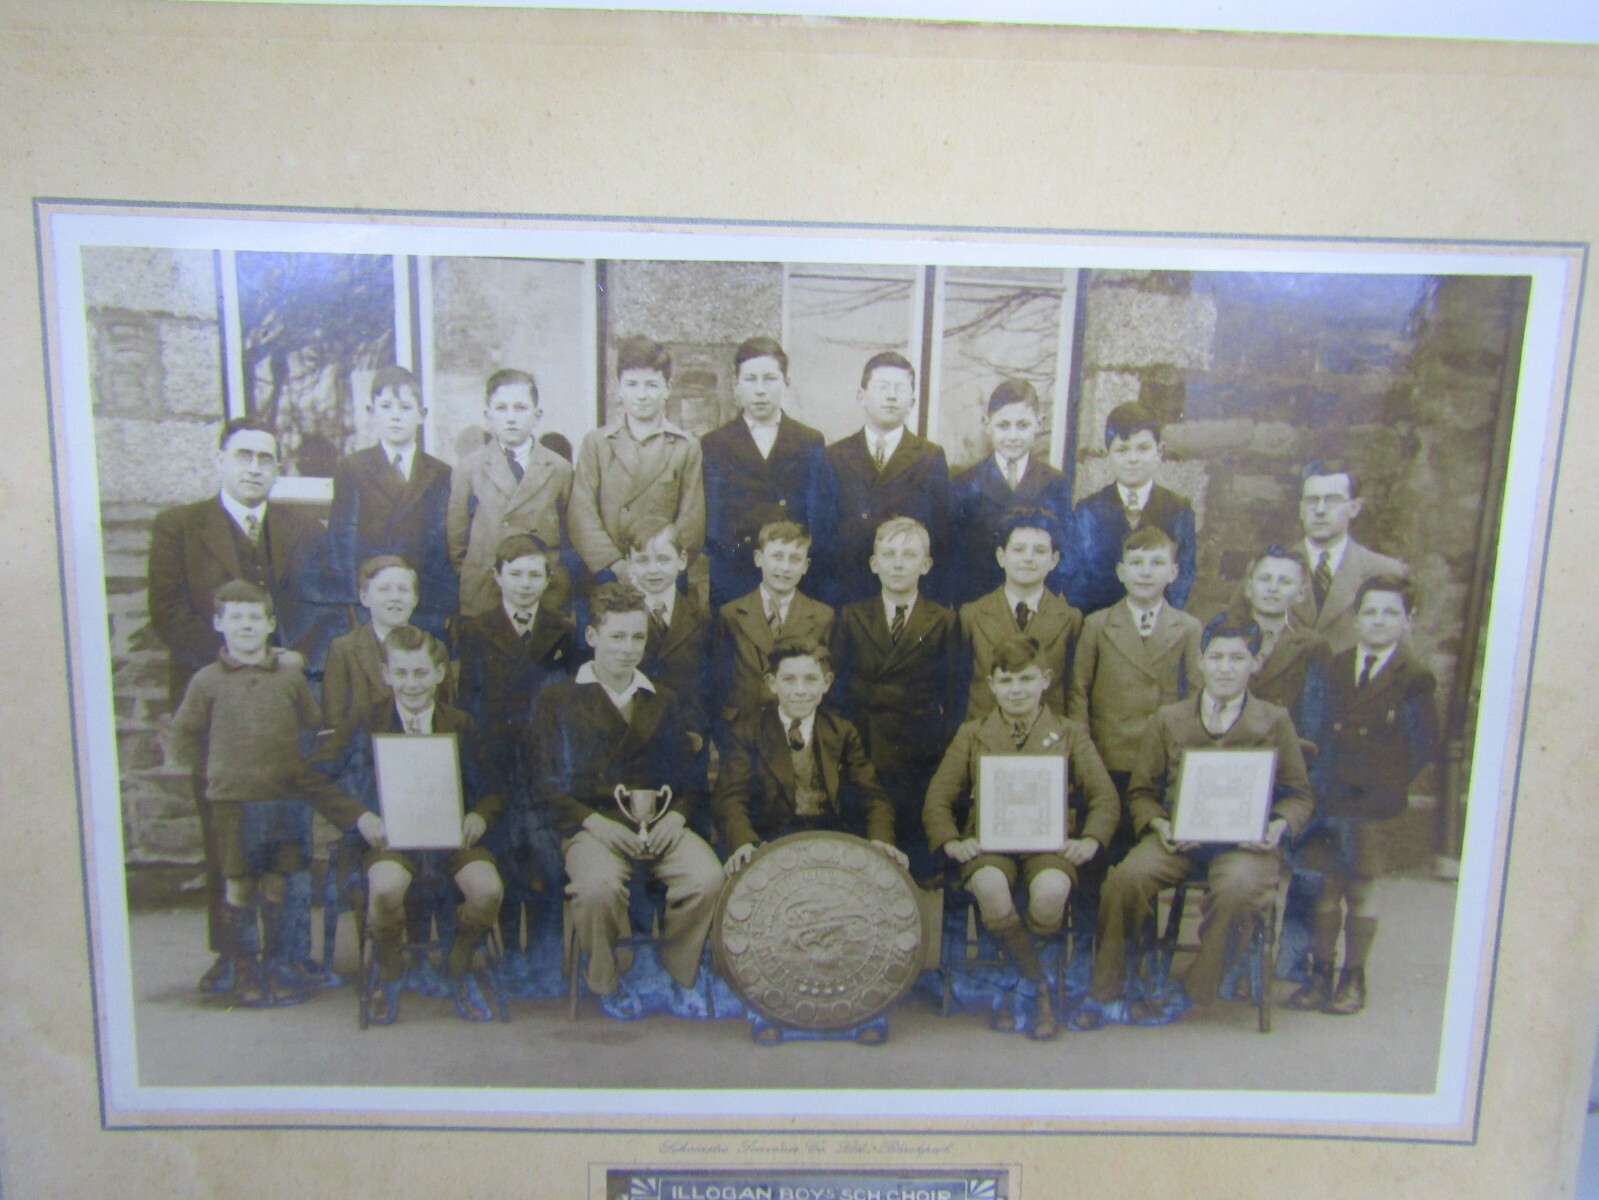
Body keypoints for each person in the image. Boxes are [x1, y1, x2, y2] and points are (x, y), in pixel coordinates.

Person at [147, 416, 328, 988]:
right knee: (224, 834)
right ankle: (234, 958)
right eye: (243, 456)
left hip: (282, 701)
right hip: (216, 698)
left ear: (278, 468)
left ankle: (290, 955)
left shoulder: (301, 527)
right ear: (221, 460)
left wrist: (288, 659)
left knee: (287, 837)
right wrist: (237, 657)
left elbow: (319, 605)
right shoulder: (180, 526)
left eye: (266, 459)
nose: (254, 468)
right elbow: (168, 611)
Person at [1075, 614, 1315, 1027]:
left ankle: (1191, 990)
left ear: (1254, 664)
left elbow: (1299, 795)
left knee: (1239, 889)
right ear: (1200, 662)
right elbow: (1142, 792)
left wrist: (1277, 826)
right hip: (1178, 840)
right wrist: (1160, 825)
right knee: (1124, 879)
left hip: (1244, 845)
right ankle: (1108, 989)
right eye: (1216, 657)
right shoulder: (1169, 719)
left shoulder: (1274, 721)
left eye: (1237, 658)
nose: (1225, 667)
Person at [167, 581, 368, 1007]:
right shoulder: (206, 681)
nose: (246, 626)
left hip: (285, 799)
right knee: (239, 885)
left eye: (255, 617)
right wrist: (214, 773)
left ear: (270, 624)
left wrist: (305, 771)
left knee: (278, 884)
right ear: (219, 623)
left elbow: (312, 727)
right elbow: (183, 736)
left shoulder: (289, 676)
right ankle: (245, 971)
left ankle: (276, 966)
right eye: (236, 618)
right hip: (234, 803)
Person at [527, 583, 723, 999]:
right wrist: (594, 823)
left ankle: (674, 971)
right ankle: (608, 980)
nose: (627, 648)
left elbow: (689, 778)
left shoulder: (662, 700)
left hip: (658, 825)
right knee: (597, 888)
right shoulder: (557, 701)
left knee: (707, 879)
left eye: (637, 637)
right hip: (591, 827)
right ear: (593, 637)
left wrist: (677, 817)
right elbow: (542, 783)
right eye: (616, 636)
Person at [924, 635, 1120, 1040]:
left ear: (1045, 681)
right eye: (1007, 681)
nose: (1017, 690)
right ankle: (1039, 992)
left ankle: (1015, 989)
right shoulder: (972, 734)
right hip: (988, 846)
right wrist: (952, 842)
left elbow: (1104, 797)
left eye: (1026, 680)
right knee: (992, 889)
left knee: (1050, 892)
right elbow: (938, 800)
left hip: (1048, 847)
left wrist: (1090, 840)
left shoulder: (1069, 734)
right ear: (992, 685)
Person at [310, 626, 507, 1024]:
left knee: (487, 890)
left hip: (451, 839)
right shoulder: (366, 721)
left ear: (438, 673)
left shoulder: (460, 722)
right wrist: (361, 817)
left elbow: (497, 786)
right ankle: (390, 972)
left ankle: (458, 969)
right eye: (401, 674)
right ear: (386, 674)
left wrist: (479, 815)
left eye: (420, 673)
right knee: (384, 888)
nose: (411, 684)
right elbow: (312, 776)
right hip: (392, 841)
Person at [1286, 575, 1438, 1016]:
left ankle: (1354, 977)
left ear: (1409, 621)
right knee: (1325, 888)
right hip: (1331, 796)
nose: (1378, 621)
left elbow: (1422, 745)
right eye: (1370, 611)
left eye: (1391, 612)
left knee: (1362, 888)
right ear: (1355, 618)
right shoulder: (1336, 666)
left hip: (1375, 804)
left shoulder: (1414, 678)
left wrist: (1382, 787)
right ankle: (1320, 972)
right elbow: (1313, 728)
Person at [453, 534, 576, 954]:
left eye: (534, 575)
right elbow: (467, 704)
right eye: (516, 574)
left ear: (547, 580)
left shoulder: (561, 630)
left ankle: (544, 958)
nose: (525, 584)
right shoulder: (477, 630)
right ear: (497, 577)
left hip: (544, 765)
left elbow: (571, 703)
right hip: (496, 764)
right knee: (504, 855)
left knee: (545, 860)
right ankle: (506, 957)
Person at [831, 516, 960, 882]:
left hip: (919, 758)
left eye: (909, 555)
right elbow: (837, 692)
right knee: (865, 860)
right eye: (888, 554)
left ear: (927, 564)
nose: (898, 563)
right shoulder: (852, 615)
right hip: (865, 753)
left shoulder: (944, 620)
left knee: (915, 861)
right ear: (874, 564)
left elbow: (953, 695)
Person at [713, 638, 906, 874]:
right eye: (789, 680)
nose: (800, 691)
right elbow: (731, 797)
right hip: (770, 849)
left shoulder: (842, 732)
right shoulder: (747, 733)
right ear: (772, 683)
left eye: (811, 679)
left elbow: (873, 795)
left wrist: (880, 839)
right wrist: (744, 842)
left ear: (827, 683)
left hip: (832, 849)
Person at [1067, 527, 1203, 800]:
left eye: (1157, 563)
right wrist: (1084, 753)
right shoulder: (1097, 624)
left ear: (1173, 573)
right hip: (1108, 756)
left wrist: (1182, 748)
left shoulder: (1188, 627)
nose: (1146, 572)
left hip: (1161, 754)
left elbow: (1196, 693)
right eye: (1136, 563)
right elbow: (1078, 692)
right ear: (1121, 572)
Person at [325, 365, 455, 639]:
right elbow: (342, 542)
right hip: (370, 604)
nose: (395, 416)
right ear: (371, 413)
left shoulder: (441, 473)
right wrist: (355, 604)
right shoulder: (353, 468)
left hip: (423, 604)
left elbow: (444, 545)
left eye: (406, 407)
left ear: (422, 415)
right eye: (386, 406)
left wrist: (441, 608)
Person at [813, 351, 950, 607]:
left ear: (912, 400)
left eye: (900, 388)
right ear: (861, 397)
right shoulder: (835, 456)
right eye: (883, 387)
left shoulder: (930, 457)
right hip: (847, 594)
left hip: (905, 596)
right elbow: (822, 537)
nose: (891, 395)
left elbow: (940, 537)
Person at [569, 336, 706, 586]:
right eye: (632, 384)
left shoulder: (685, 447)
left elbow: (692, 520)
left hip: (663, 576)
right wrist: (617, 566)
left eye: (652, 385)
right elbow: (581, 515)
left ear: (668, 387)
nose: (641, 395)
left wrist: (659, 566)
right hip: (609, 574)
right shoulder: (598, 443)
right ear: (618, 389)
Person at [700, 336, 826, 608]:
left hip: (790, 574)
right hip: (736, 575)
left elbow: (816, 517)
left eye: (769, 379)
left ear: (785, 384)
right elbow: (713, 522)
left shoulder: (809, 441)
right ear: (736, 386)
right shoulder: (714, 444)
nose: (760, 390)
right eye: (750, 379)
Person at [446, 368, 574, 618]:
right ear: (488, 416)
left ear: (537, 416)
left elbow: (570, 538)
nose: (511, 417)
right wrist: (480, 572)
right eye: (502, 408)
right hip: (487, 592)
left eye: (520, 408)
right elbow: (456, 540)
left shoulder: (559, 468)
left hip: (544, 594)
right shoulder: (470, 468)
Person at [947, 378, 1075, 608]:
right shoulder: (965, 483)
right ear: (987, 425)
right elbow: (955, 558)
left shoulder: (1055, 483)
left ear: (1039, 423)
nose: (1013, 436)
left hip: (1033, 603)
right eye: (1003, 426)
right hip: (978, 607)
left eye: (1023, 425)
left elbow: (1063, 551)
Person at [959, 507, 1082, 722]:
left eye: (1040, 551)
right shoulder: (972, 615)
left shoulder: (1070, 618)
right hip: (987, 740)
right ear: (1001, 557)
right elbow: (958, 691)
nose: (1028, 558)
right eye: (1019, 549)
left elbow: (1074, 692)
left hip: (1046, 742)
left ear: (1054, 560)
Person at [1072, 402, 1197, 614]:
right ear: (1108, 454)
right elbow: (1080, 581)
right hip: (1103, 627)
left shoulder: (1177, 510)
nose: (1132, 459)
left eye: (1142, 448)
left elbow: (1183, 578)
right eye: (1122, 449)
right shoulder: (1089, 512)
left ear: (1159, 452)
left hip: (1158, 627)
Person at [713, 520, 834, 733]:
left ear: (806, 566)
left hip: (794, 729)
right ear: (759, 559)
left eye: (795, 559)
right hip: (742, 728)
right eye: (777, 557)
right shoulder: (731, 614)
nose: (785, 568)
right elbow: (719, 679)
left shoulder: (822, 616)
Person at [1291, 460, 1408, 654]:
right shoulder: (1271, 568)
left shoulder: (1385, 570)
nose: (1320, 510)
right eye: (1312, 501)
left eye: (1333, 500)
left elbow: (1402, 661)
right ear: (1301, 509)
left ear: (1354, 508)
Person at [626, 519, 712, 754]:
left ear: (682, 561)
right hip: (630, 739)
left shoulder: (701, 618)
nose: (653, 570)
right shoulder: (620, 616)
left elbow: (707, 685)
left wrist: (697, 733)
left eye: (663, 559)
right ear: (629, 564)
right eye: (643, 560)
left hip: (686, 737)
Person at [1230, 544, 1325, 731]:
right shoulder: (1221, 637)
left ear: (1301, 593)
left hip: (1284, 750)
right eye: (1265, 579)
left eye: (1285, 582)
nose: (1273, 588)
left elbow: (1312, 721)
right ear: (1249, 588)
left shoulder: (1312, 646)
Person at [320, 554, 420, 728]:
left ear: (415, 600)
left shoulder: (433, 648)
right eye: (384, 589)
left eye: (403, 589)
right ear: (365, 598)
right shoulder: (344, 649)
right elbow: (334, 722)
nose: (394, 597)